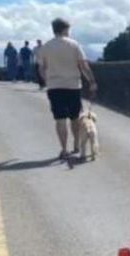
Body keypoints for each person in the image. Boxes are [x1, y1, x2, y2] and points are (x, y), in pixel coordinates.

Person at [37, 18, 97, 159]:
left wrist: (47, 80)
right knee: (75, 118)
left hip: (54, 87)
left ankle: (64, 149)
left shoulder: (46, 47)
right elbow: (84, 66)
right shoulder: (74, 45)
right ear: (65, 29)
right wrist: (92, 81)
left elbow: (41, 68)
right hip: (73, 86)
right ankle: (76, 145)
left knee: (60, 119)